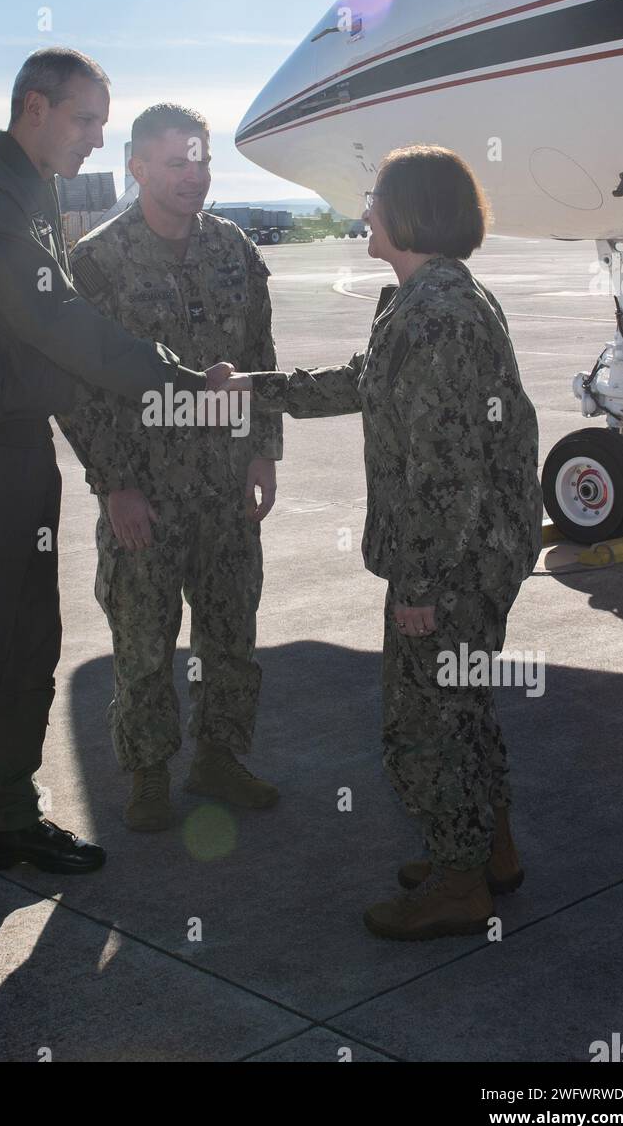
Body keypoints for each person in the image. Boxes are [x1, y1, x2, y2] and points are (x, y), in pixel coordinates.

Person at [0, 51, 232, 923]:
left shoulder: (32, 197)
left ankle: (5, 821)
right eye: (86, 120)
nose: (98, 138)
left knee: (29, 648)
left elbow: (55, 339)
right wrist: (176, 378)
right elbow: (60, 324)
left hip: (20, 449)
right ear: (34, 108)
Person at [224, 145, 543, 939]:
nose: (363, 209)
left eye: (375, 197)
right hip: (473, 549)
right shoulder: (425, 300)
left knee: (425, 722)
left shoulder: (436, 316)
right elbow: (360, 384)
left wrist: (421, 587)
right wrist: (254, 390)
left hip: (454, 557)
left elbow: (445, 471)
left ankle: (458, 882)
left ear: (407, 212)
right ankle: (483, 851)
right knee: (461, 706)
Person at [57, 104, 283, 830]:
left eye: (203, 161)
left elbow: (260, 361)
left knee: (231, 637)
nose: (195, 177)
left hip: (224, 489)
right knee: (144, 644)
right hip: (144, 492)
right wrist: (113, 484)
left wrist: (261, 453)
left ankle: (219, 758)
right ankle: (148, 776)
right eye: (178, 163)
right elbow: (76, 385)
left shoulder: (233, 250)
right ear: (137, 168)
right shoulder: (96, 260)